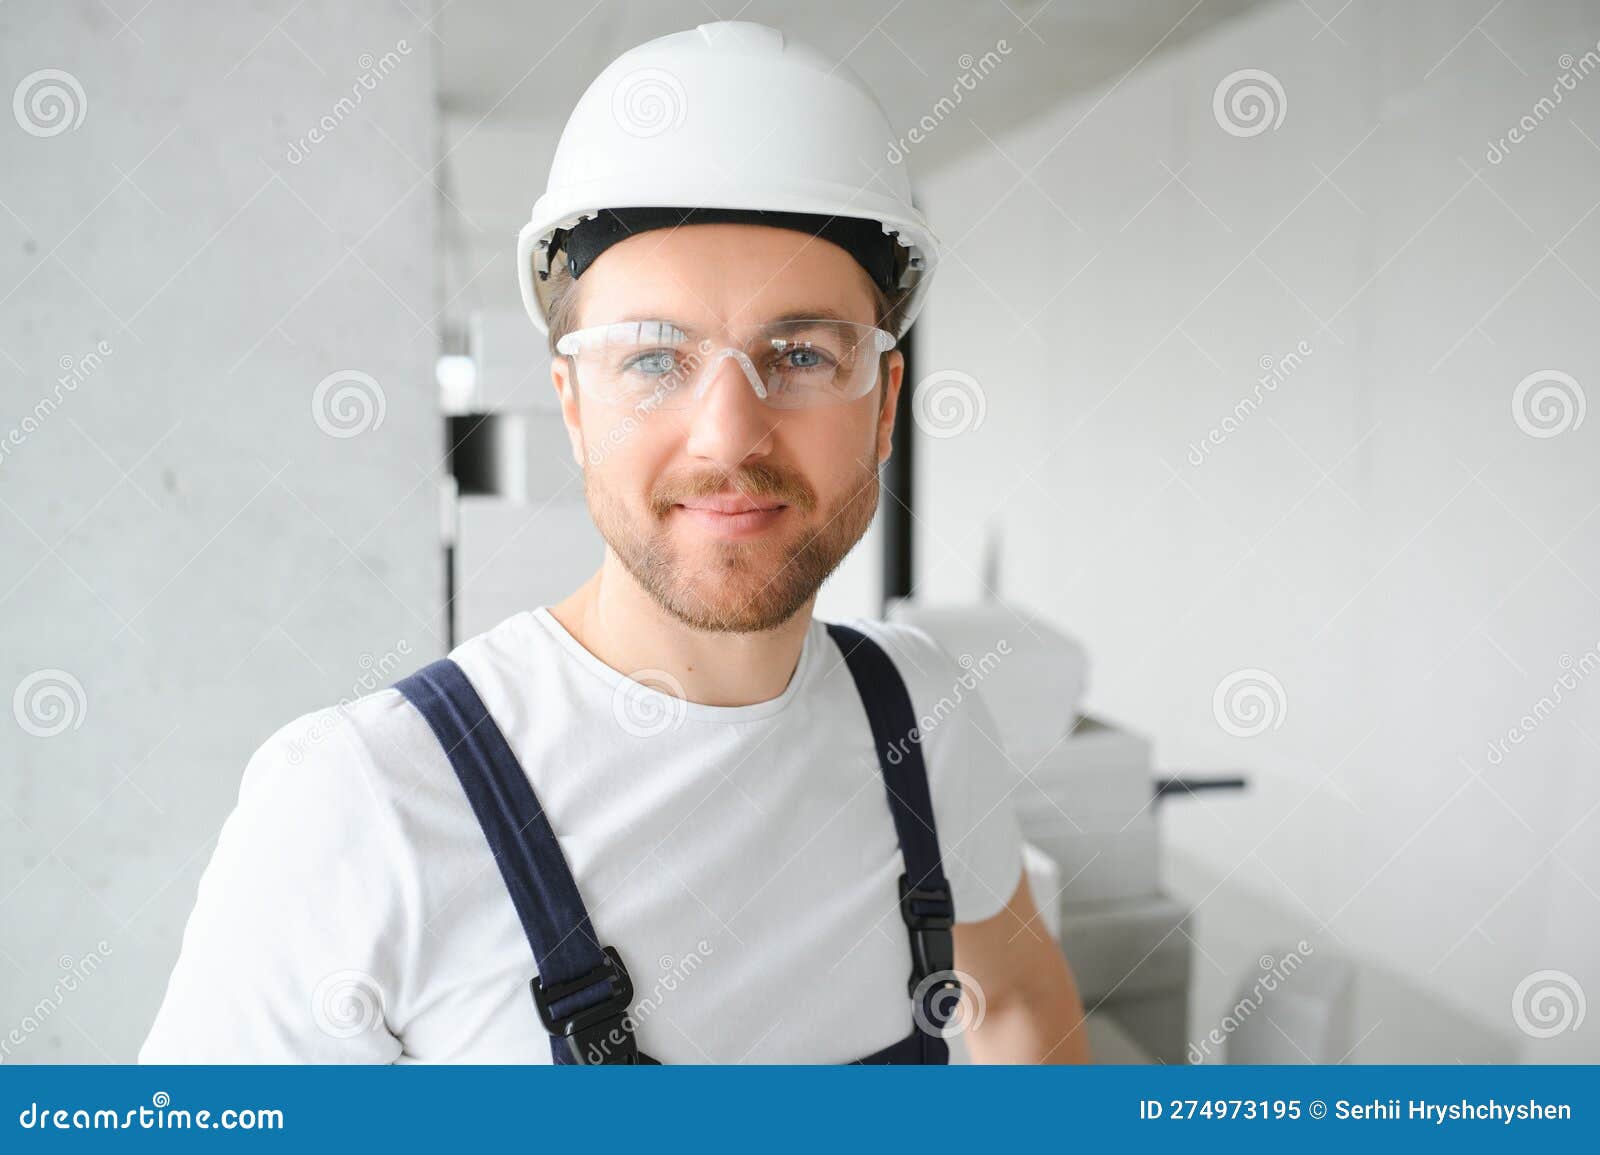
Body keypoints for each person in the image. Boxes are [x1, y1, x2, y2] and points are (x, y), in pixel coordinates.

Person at [141, 19, 1088, 1065]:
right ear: (574, 404)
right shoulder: (362, 804)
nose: (729, 434)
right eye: (652, 359)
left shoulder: (920, 717)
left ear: (884, 403)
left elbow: (1016, 1007)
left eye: (803, 354)